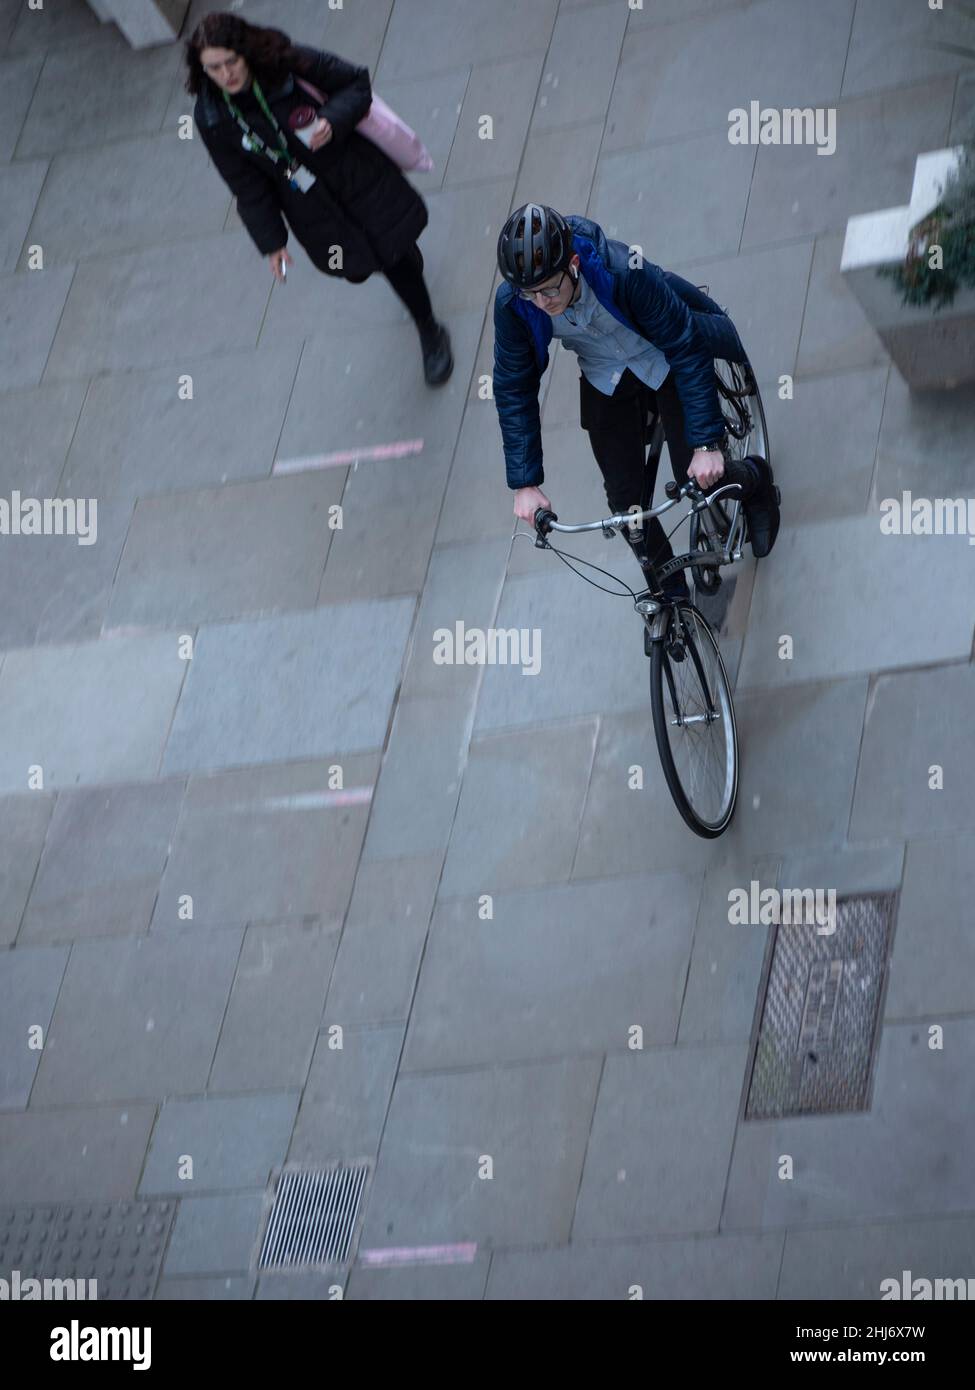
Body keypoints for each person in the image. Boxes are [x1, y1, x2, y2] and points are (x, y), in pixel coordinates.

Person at [493, 204, 780, 599]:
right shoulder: (514, 305)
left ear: (574, 263)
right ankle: (670, 594)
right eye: (530, 293)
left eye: (549, 289)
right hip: (605, 376)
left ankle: (755, 481)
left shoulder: (623, 270)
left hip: (663, 356)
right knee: (626, 505)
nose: (541, 303)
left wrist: (707, 444)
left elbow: (684, 342)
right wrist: (525, 483)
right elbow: (513, 386)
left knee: (698, 477)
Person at [186, 11, 453, 386]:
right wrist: (272, 243)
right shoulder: (212, 117)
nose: (225, 74)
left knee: (392, 259)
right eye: (214, 68)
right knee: (355, 266)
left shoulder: (287, 61)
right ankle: (399, 256)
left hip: (355, 173)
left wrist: (331, 119)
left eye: (231, 61)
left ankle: (429, 329)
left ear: (245, 52)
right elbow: (245, 184)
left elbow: (356, 83)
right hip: (308, 205)